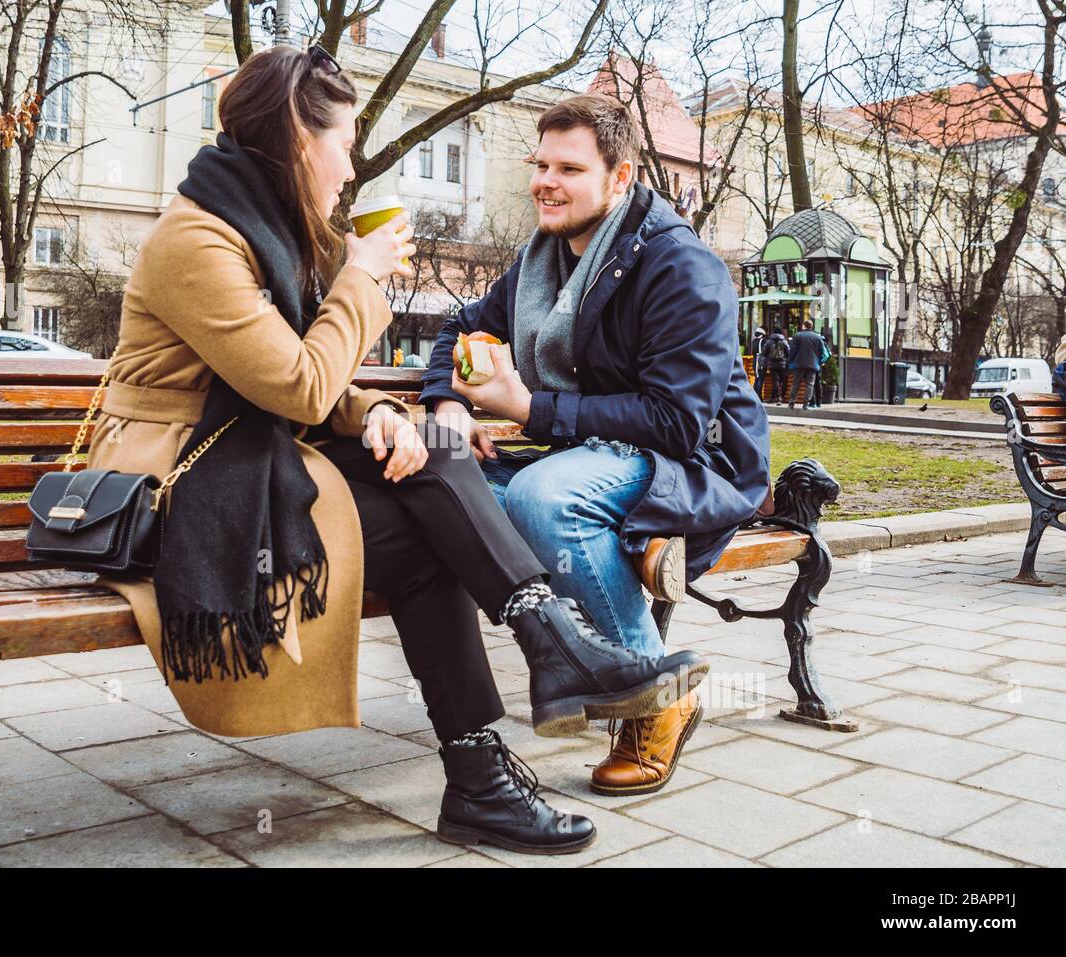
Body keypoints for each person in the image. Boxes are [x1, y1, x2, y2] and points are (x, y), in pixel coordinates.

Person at [85, 47, 704, 855]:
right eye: (342, 142)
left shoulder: (266, 227)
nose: (349, 166)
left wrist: (381, 412)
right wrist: (363, 278)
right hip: (175, 483)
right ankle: (516, 715)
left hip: (249, 453)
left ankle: (540, 673)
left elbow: (300, 380)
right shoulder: (197, 241)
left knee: (429, 452)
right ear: (297, 142)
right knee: (426, 528)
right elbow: (300, 385)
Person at [419, 93, 767, 797]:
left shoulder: (680, 266)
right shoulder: (540, 262)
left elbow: (678, 419)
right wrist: (447, 402)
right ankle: (563, 669)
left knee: (545, 496)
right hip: (588, 451)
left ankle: (655, 699)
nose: (546, 180)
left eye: (569, 168)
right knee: (447, 489)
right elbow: (457, 328)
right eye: (540, 163)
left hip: (696, 460)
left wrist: (529, 408)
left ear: (620, 177)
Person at [787, 319, 824, 410]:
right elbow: (822, 352)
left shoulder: (797, 335)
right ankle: (806, 404)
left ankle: (791, 402)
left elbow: (792, 351)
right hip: (812, 365)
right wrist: (818, 362)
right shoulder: (817, 337)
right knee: (810, 385)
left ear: (804, 326)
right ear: (811, 326)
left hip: (798, 364)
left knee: (796, 383)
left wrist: (789, 361)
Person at [758, 328, 788, 403]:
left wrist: (762, 363)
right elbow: (788, 353)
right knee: (781, 381)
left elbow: (764, 353)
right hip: (783, 364)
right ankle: (779, 397)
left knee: (775, 381)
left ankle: (775, 397)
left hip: (772, 364)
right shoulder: (784, 341)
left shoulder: (768, 342)